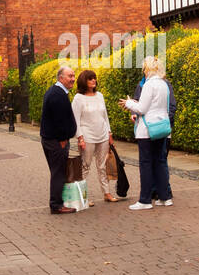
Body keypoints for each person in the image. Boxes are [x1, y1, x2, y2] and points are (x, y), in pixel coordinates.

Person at [120, 55, 172, 211]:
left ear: (147, 69)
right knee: (160, 163)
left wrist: (128, 103)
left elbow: (142, 109)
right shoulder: (164, 84)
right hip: (162, 128)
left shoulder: (149, 85)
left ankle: (145, 200)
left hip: (148, 130)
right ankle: (165, 197)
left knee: (146, 164)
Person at [72, 69, 116, 204]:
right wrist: (80, 138)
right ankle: (82, 197)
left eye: (94, 78)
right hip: (87, 137)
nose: (93, 81)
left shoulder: (100, 96)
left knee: (103, 166)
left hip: (102, 135)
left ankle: (107, 193)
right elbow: (75, 120)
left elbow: (105, 116)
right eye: (90, 79)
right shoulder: (78, 98)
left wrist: (109, 133)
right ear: (84, 81)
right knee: (85, 166)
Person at [40, 65, 77, 214]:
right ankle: (56, 205)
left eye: (73, 76)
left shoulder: (56, 91)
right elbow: (59, 120)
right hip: (56, 141)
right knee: (58, 173)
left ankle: (58, 202)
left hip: (51, 139)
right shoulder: (58, 94)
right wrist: (63, 139)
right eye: (70, 76)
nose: (73, 79)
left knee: (57, 172)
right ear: (61, 78)